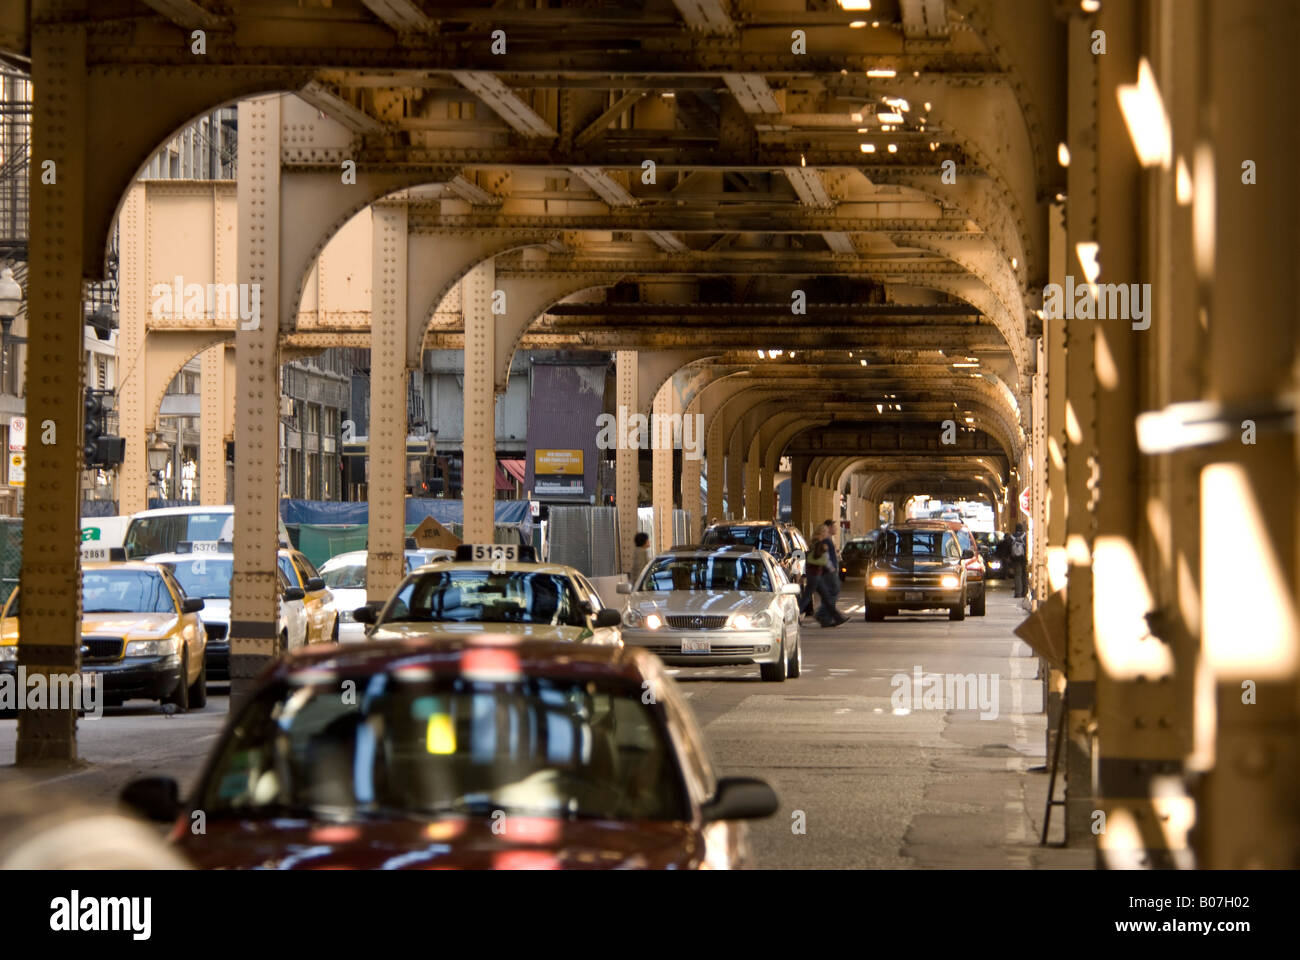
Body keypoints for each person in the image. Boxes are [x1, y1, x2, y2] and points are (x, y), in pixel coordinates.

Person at [1008, 523, 1028, 598]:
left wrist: (1010, 558)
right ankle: (1024, 592)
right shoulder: (1025, 536)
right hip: (1023, 558)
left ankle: (1018, 593)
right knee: (1024, 575)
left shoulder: (1011, 537)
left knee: (1017, 575)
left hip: (1015, 559)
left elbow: (1008, 548)